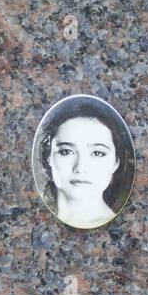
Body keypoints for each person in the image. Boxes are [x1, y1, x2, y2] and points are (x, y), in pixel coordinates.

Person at [36, 98, 134, 229]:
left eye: (97, 153)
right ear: (49, 157)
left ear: (116, 161)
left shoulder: (127, 228)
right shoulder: (34, 222)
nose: (80, 168)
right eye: (66, 151)